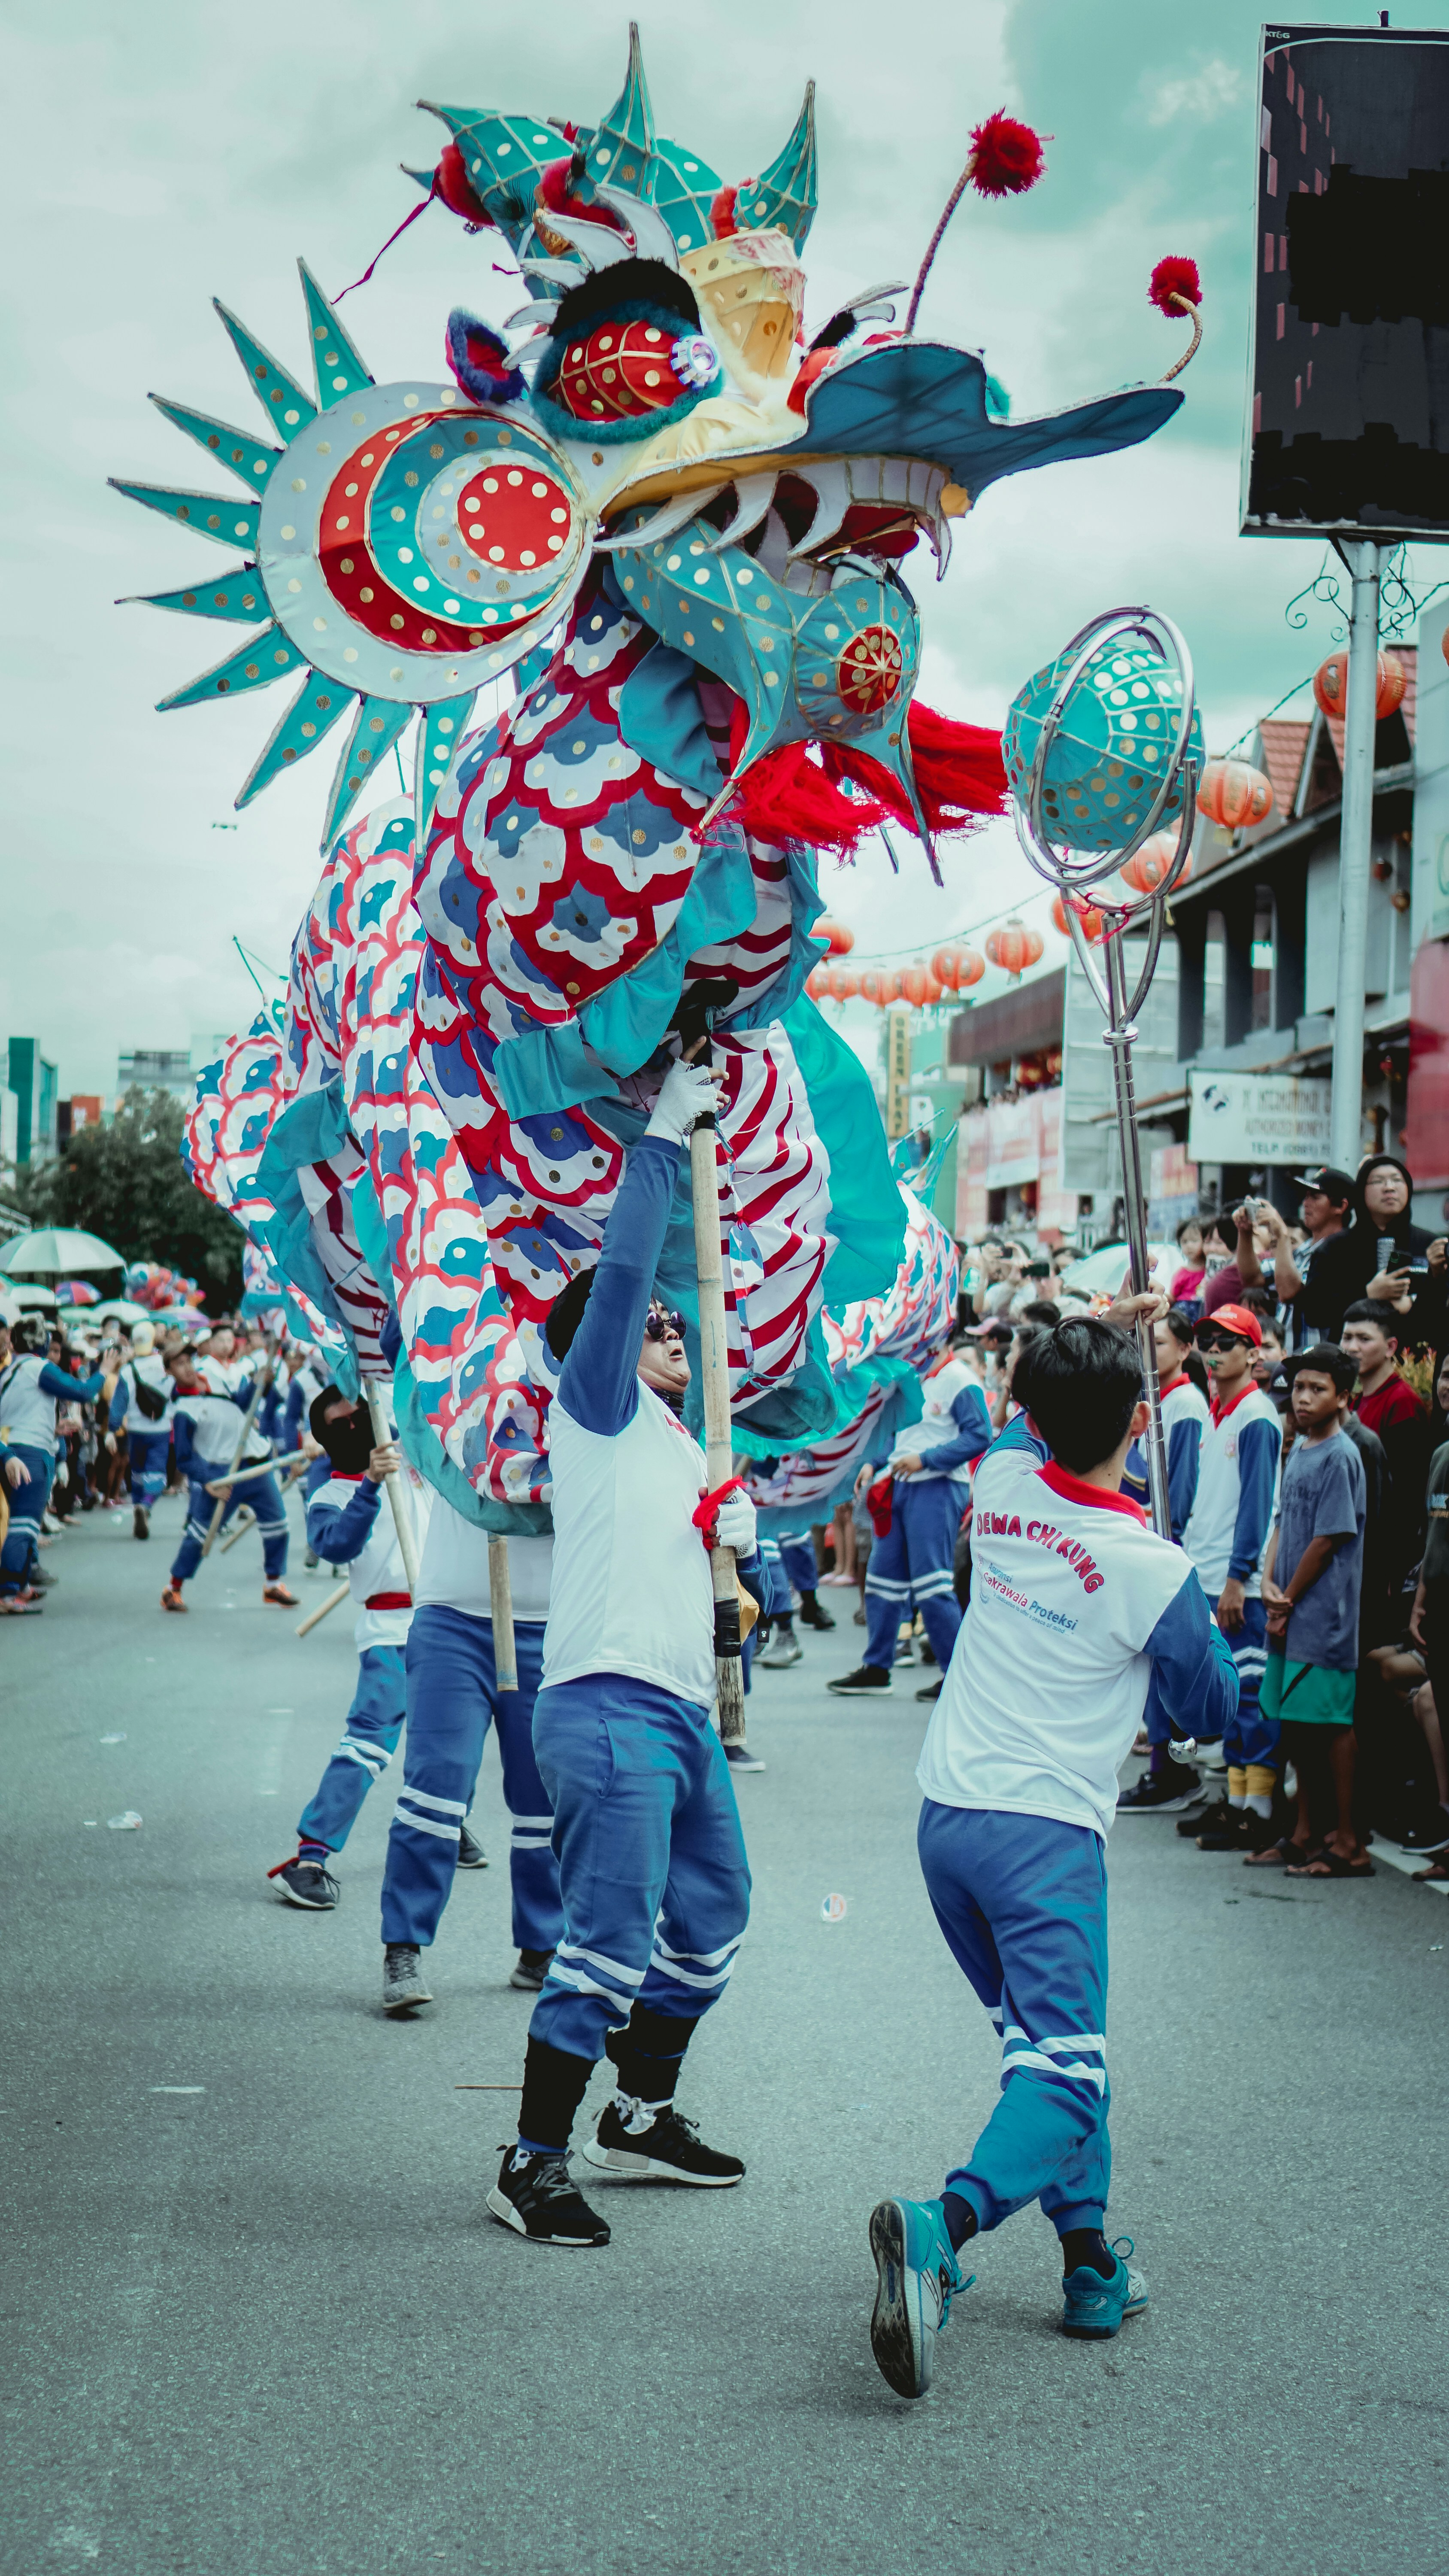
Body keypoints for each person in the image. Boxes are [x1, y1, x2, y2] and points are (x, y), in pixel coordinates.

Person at [864, 1317, 1238, 2399]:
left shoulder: (1005, 1478)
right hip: (1042, 1836)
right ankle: (942, 2227)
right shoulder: (1151, 1566)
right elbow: (1206, 1710)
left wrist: (1092, 1357)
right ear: (1139, 1420)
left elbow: (1035, 1418)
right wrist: (1191, 1619)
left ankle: (1088, 2266)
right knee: (1067, 2074)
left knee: (1051, 2050)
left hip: (948, 1821)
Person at [488, 1054, 759, 2251]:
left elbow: (716, 1603)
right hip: (603, 1708)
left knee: (717, 1923)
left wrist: (739, 1549)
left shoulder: (680, 1445)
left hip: (682, 1714)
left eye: (671, 1327)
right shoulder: (589, 1407)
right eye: (649, 1324)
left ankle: (639, 2110)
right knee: (604, 1946)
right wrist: (664, 1135)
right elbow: (629, 1272)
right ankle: (531, 2162)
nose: (667, 1332)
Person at [380, 1493, 564, 2008]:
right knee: (436, 1789)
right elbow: (421, 1433)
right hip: (452, 1621)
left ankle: (542, 1946)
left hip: (553, 1625)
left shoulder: (588, 1416)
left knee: (543, 1801)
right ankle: (403, 1946)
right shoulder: (448, 1409)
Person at [268, 1385, 434, 1909]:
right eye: (343, 1424)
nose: (358, 1426)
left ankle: (444, 1826)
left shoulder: (415, 1459)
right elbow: (337, 1545)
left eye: (363, 1415)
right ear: (327, 1437)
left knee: (451, 1741)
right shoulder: (332, 1494)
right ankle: (310, 1855)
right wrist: (369, 1485)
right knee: (368, 1745)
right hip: (388, 1631)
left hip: (445, 1621)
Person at [1251, 1345, 1369, 1877]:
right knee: (1297, 1724)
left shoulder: (1343, 1454)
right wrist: (1267, 1581)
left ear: (1344, 1397)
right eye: (1298, 1388)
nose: (1303, 1398)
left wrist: (1289, 1597)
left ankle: (1347, 1840)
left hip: (1323, 1617)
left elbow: (1327, 1539)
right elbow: (1281, 1521)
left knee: (1331, 1725)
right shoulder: (1298, 1447)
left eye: (1317, 1389)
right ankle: (1302, 1833)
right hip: (1288, 1609)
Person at [827, 1334, 992, 1701]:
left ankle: (956, 1676)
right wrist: (872, 1463)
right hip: (898, 1487)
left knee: (933, 1585)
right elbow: (894, 1434)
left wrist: (927, 1459)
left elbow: (980, 1435)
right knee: (882, 1582)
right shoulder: (910, 1377)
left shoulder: (961, 1379)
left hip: (937, 1487)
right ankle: (877, 1667)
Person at [1175, 1305, 1282, 1851]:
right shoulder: (1218, 1411)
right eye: (1207, 1340)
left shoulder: (1257, 1415)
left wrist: (1241, 1576)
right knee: (1232, 1692)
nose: (1213, 1351)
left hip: (1233, 1577)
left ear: (1253, 1353)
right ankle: (1236, 1803)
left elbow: (1259, 1504)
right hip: (1206, 1571)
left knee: (1249, 1694)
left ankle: (1256, 1812)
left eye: (1226, 1342)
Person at [1116, 1306, 1214, 1813]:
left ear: (1182, 1350)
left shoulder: (1185, 1403)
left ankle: (1174, 1773)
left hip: (1166, 1547)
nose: (1147, 1352)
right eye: (1142, 1343)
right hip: (1143, 1540)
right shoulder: (1149, 1398)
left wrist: (1167, 1545)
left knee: (1168, 1668)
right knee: (1150, 1667)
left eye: (1156, 1343)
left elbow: (1182, 1486)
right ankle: (1162, 1767)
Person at [160, 1348, 296, 1612]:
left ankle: (273, 1585)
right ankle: (173, 1589)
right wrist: (209, 1481)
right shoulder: (183, 1411)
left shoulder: (214, 1379)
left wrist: (259, 1383)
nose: (188, 1368)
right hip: (223, 1474)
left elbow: (241, 1403)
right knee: (199, 1536)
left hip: (255, 1463)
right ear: (169, 1371)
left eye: (189, 1361)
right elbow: (184, 1459)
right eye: (179, 1365)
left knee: (279, 1526)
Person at [0, 1318, 110, 1605]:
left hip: (15, 1449)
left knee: (22, 1524)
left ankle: (20, 1587)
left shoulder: (12, 1371)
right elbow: (83, 1392)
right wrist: (105, 1373)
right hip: (30, 1453)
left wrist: (55, 1427)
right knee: (23, 1527)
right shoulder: (38, 1368)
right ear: (44, 1344)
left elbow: (19, 1415)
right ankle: (9, 1593)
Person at [1341, 1301, 1433, 1608]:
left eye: (1364, 1339)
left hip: (1380, 1566)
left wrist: (1393, 1572)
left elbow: (1408, 1499)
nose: (1352, 1347)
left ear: (1391, 1346)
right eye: (1347, 1337)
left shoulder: (1402, 1404)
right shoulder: (1354, 1401)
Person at [1407, 1352, 1449, 1880]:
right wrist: (1419, 1596)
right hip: (1436, 1603)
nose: (1448, 1386)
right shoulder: (1440, 1452)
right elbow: (1432, 1536)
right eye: (1445, 1376)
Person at [1242, 1167, 1355, 1349]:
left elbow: (1289, 1292)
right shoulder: (1301, 1251)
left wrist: (1283, 1235)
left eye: (1315, 1197)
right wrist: (1245, 1233)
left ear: (1341, 1207)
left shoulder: (1346, 1252)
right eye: (1306, 1196)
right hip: (1288, 1358)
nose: (1306, 1204)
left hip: (1319, 1360)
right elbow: (1252, 1277)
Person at [108, 1321, 175, 1539]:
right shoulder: (166, 1366)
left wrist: (112, 1430)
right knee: (157, 1475)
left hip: (135, 1431)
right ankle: (146, 1505)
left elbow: (119, 1403)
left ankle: (138, 1504)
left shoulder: (128, 1370)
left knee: (137, 1474)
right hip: (161, 1430)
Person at [1168, 1215, 1206, 1309]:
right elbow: (1173, 1297)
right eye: (1185, 1242)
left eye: (1194, 1241)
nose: (1189, 1246)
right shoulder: (1181, 1274)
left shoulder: (1211, 1271)